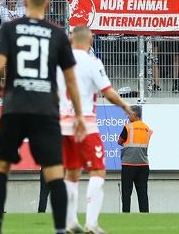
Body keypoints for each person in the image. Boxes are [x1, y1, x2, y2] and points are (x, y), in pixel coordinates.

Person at [0, 0, 83, 234]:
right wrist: (80, 114)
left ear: (26, 3)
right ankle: (60, 230)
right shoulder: (58, 34)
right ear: (48, 5)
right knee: (53, 173)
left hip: (15, 106)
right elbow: (71, 80)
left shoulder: (10, 28)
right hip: (45, 109)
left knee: (1, 167)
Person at [59, 24, 135, 234]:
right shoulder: (92, 62)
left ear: (71, 40)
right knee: (97, 171)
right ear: (90, 40)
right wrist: (125, 105)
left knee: (71, 173)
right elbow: (108, 92)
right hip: (85, 124)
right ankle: (91, 223)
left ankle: (70, 221)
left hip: (64, 125)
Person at [118, 106, 153, 214]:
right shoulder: (147, 128)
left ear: (134, 114)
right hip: (143, 164)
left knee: (126, 193)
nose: (128, 116)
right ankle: (145, 215)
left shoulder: (128, 127)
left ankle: (126, 215)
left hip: (128, 164)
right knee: (142, 193)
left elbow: (120, 141)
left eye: (129, 114)